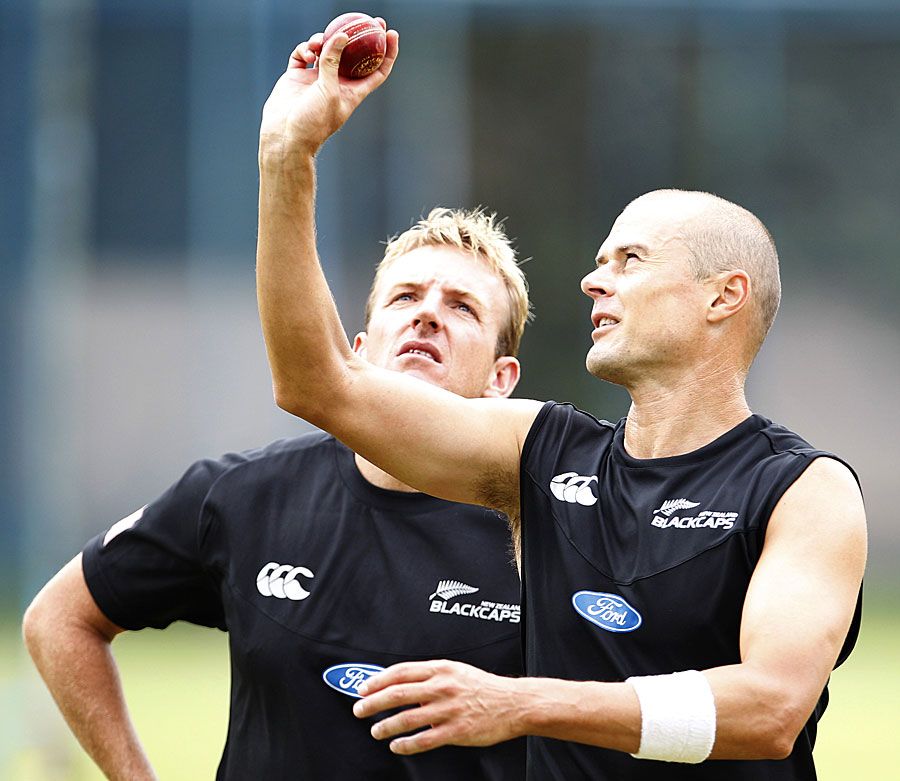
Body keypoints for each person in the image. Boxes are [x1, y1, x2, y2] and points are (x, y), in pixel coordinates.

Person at [253, 21, 867, 781]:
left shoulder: (805, 490)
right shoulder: (541, 451)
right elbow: (319, 386)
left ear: (724, 296)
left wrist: (520, 703)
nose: (592, 280)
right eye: (600, 259)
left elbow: (770, 710)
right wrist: (289, 156)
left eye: (630, 260)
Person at [24, 117, 531, 781]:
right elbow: (58, 619)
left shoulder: (551, 524)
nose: (428, 312)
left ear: (502, 382)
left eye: (462, 307)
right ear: (358, 349)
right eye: (406, 296)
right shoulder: (245, 496)